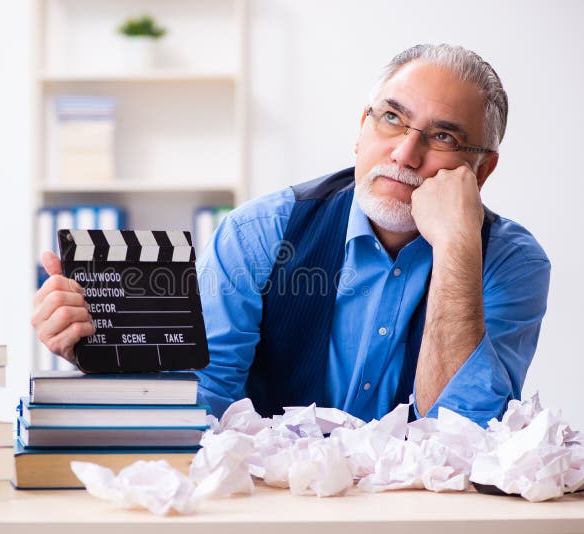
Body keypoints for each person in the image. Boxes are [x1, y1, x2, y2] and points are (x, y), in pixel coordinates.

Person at [31, 44, 550, 428]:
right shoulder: (258, 233)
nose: (405, 154)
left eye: (443, 136)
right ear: (362, 127)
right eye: (392, 118)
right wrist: (101, 357)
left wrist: (458, 250)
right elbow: (202, 403)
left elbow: (468, 434)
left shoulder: (509, 262)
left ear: (480, 172)